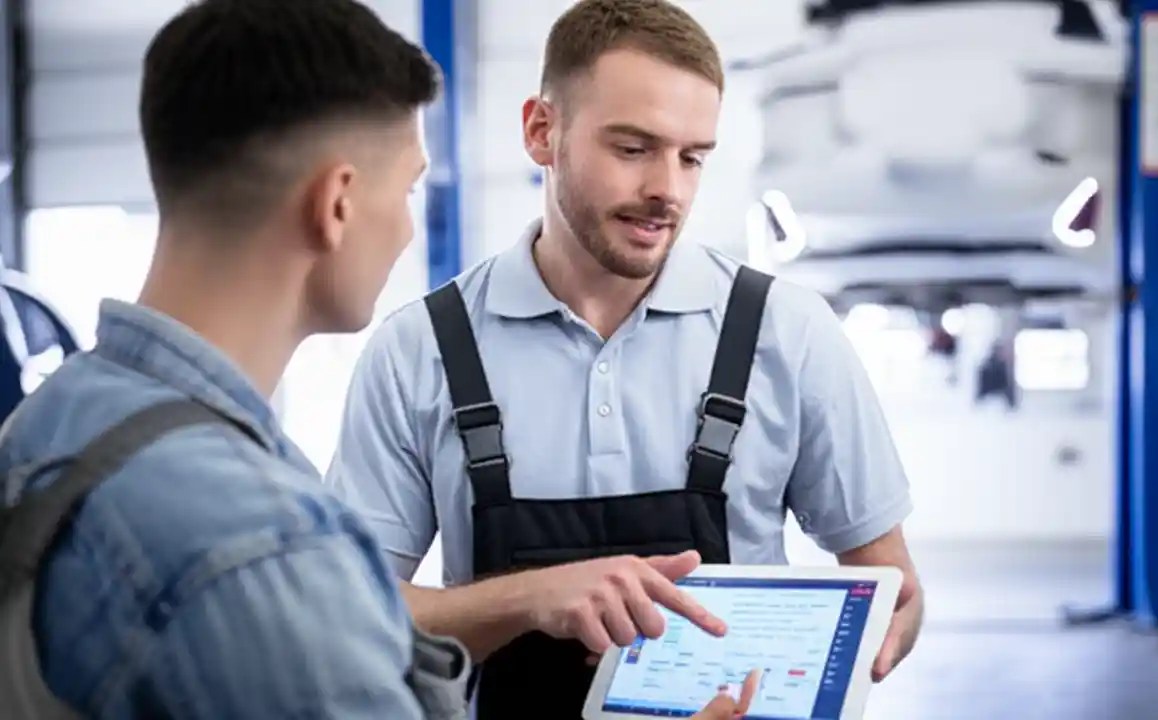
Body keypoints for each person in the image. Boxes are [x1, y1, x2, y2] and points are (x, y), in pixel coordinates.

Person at [0, 1, 748, 718]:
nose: (405, 230)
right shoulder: (262, 538)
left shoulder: (50, 424)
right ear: (337, 204)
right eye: (410, 188)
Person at [326, 0, 926, 717]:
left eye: (692, 156)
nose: (666, 190)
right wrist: (533, 597)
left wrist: (873, 640)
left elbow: (891, 588)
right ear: (542, 132)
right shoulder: (418, 353)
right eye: (634, 148)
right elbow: (348, 620)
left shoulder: (787, 334)